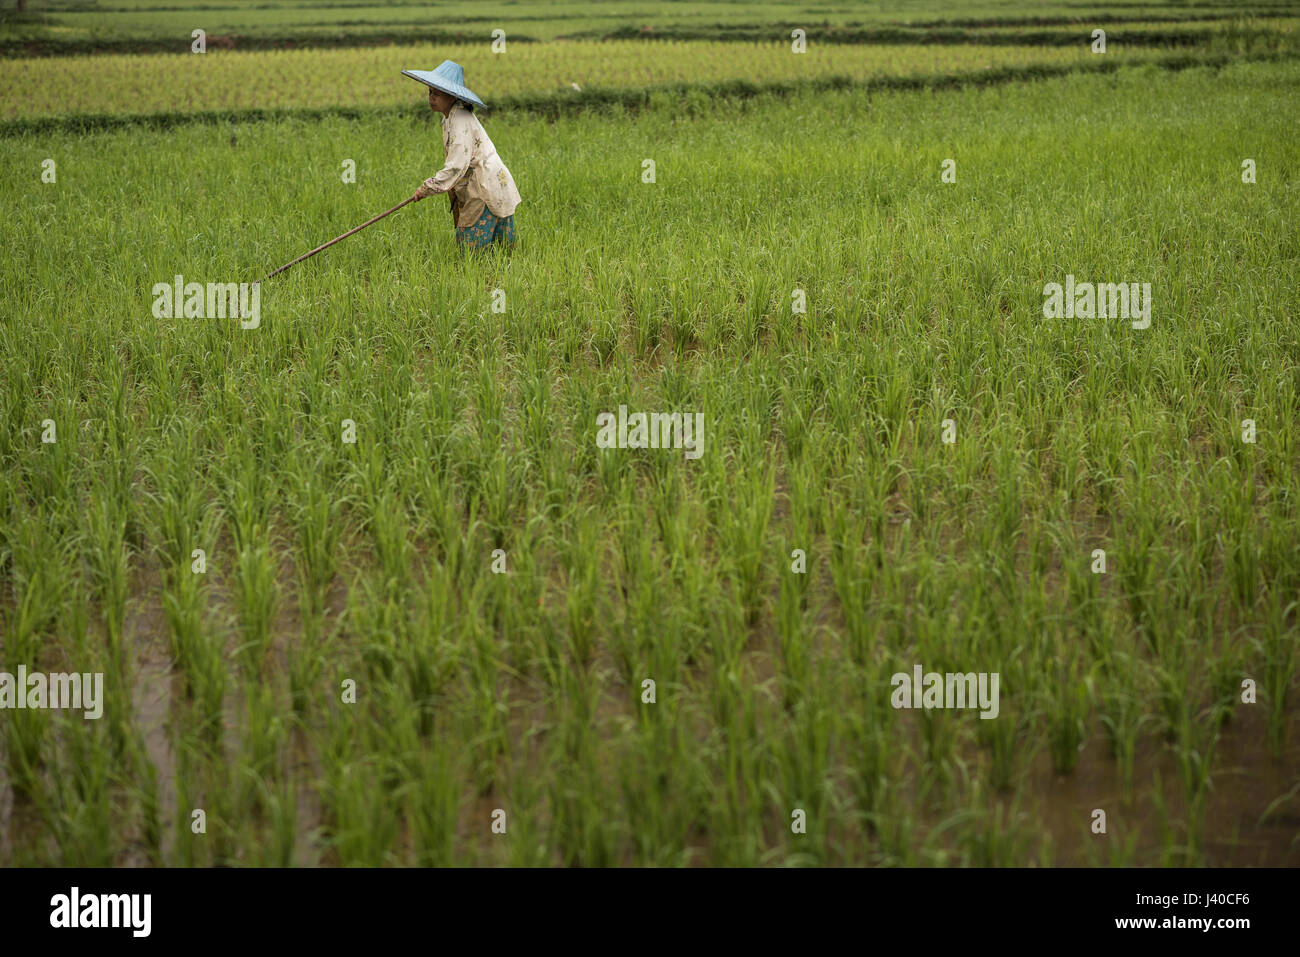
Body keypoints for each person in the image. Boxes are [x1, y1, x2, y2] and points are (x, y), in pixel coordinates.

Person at [404, 60, 521, 251]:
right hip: (491, 182)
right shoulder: (450, 116)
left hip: (484, 186)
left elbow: (456, 167)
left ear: (451, 96)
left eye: (436, 94)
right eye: (430, 93)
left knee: (473, 252)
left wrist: (427, 188)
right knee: (498, 253)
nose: (431, 98)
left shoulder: (460, 121)